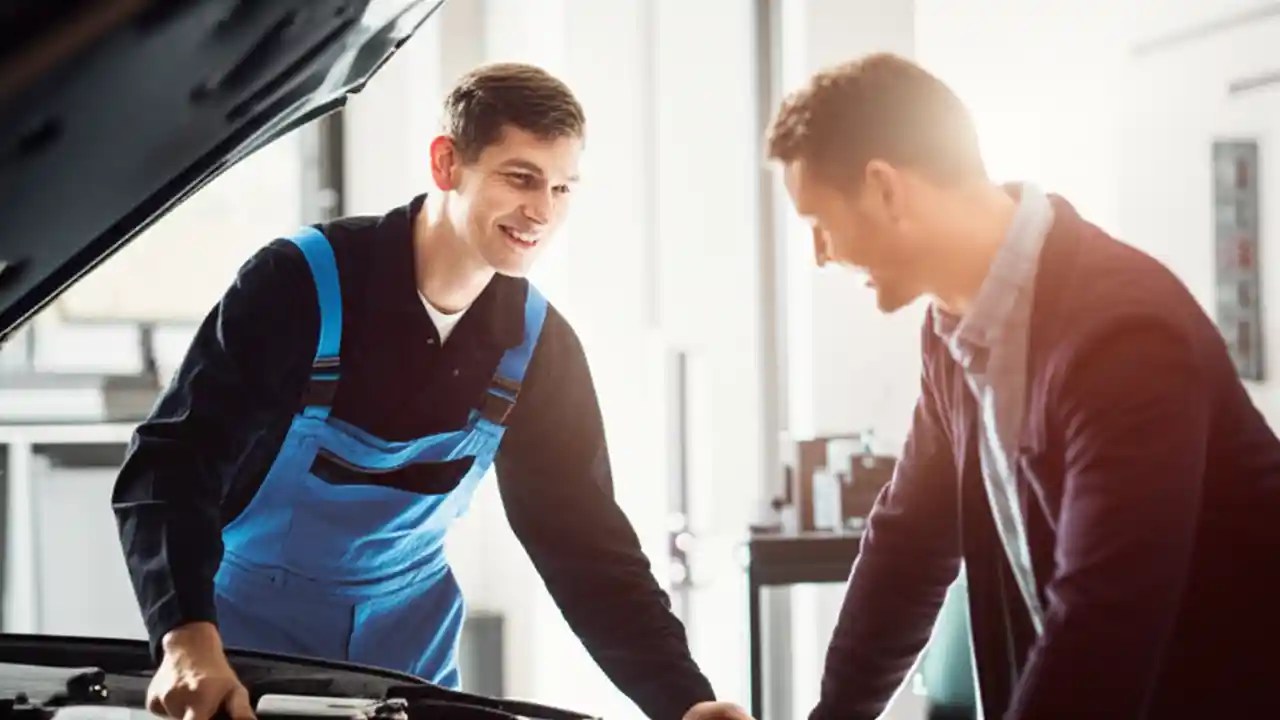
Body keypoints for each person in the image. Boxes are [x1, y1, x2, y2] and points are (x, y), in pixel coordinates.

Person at [113, 61, 750, 720]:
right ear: (447, 164)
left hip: (409, 659)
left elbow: (586, 547)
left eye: (563, 188)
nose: (543, 211)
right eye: (521, 178)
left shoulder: (537, 347)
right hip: (245, 653)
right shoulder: (300, 284)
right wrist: (186, 641)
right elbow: (170, 466)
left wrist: (685, 703)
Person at [765, 52, 1280, 719]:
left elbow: (1104, 619)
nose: (821, 254)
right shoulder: (953, 330)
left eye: (819, 224)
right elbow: (908, 548)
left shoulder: (1121, 334)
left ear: (887, 190)